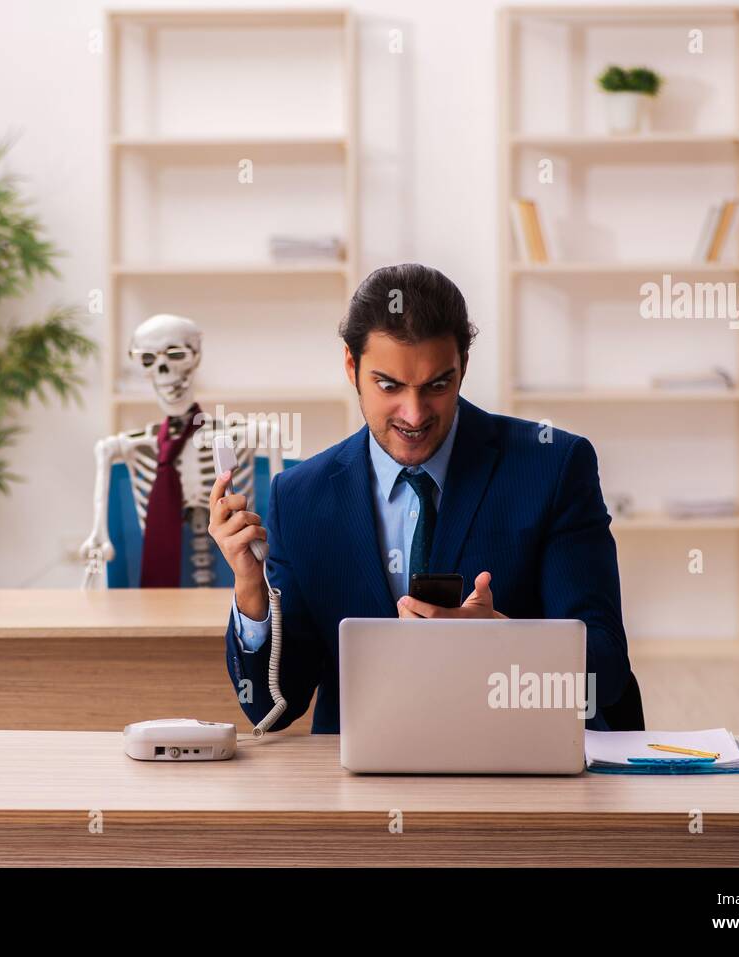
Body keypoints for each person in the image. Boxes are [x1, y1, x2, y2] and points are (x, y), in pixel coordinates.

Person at [208, 263, 641, 733]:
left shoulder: (554, 467)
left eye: (437, 385)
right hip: (361, 781)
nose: (414, 415)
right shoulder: (299, 497)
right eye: (389, 386)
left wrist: (504, 644)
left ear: (463, 367)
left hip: (514, 762)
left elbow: (607, 671)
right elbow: (273, 708)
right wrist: (251, 587)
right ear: (351, 366)